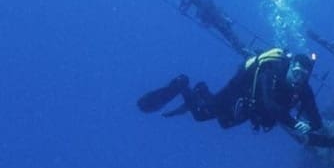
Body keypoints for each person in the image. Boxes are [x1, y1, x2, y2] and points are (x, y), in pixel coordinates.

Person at [138, 48, 324, 135]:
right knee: (201, 115)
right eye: (296, 72)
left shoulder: (304, 89)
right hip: (237, 92)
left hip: (250, 108)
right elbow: (270, 105)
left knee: (224, 122)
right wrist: (295, 123)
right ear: (290, 67)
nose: (298, 78)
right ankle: (182, 84)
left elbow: (317, 122)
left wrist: (310, 126)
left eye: (303, 75)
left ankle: (200, 91)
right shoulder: (271, 73)